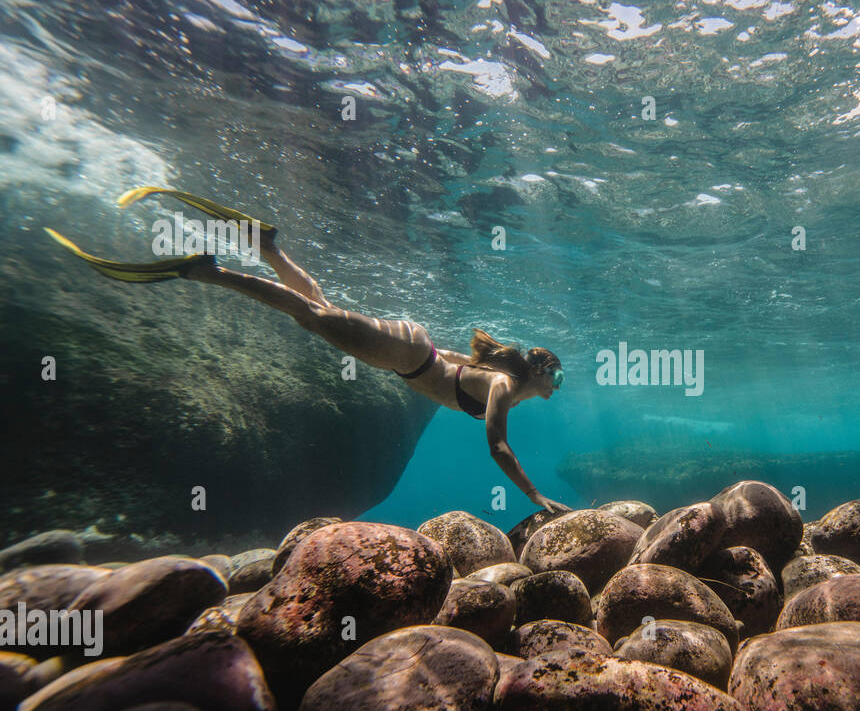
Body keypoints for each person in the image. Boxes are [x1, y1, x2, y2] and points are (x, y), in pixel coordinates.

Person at [46, 186, 571, 514]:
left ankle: (267, 244)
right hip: (406, 354)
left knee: (316, 303)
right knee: (312, 316)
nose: (558, 389)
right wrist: (534, 496)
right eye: (560, 379)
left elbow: (459, 363)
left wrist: (445, 358)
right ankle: (208, 271)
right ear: (542, 372)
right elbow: (497, 446)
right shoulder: (505, 387)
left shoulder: (504, 381)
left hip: (414, 349)